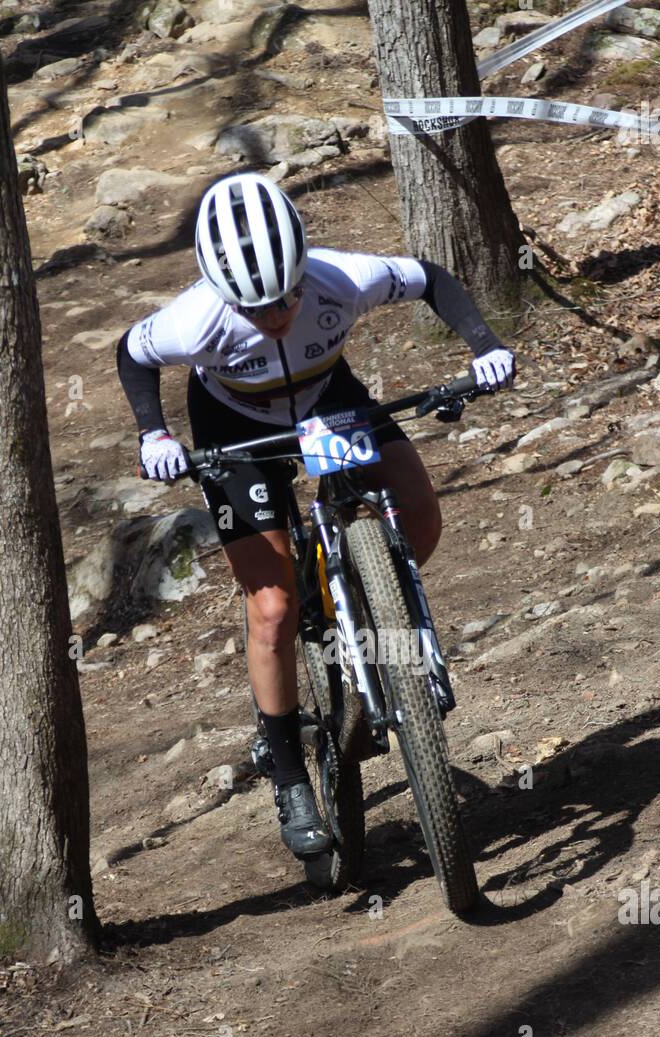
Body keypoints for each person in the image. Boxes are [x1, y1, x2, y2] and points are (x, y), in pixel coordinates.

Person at [117, 172, 516, 861]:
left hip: (332, 404)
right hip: (234, 430)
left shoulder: (341, 276)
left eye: (286, 298)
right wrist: (153, 433)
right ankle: (289, 772)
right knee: (270, 609)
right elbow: (132, 352)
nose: (275, 316)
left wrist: (483, 346)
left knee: (419, 517)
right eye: (255, 308)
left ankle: (360, 605)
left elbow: (430, 278)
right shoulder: (191, 321)